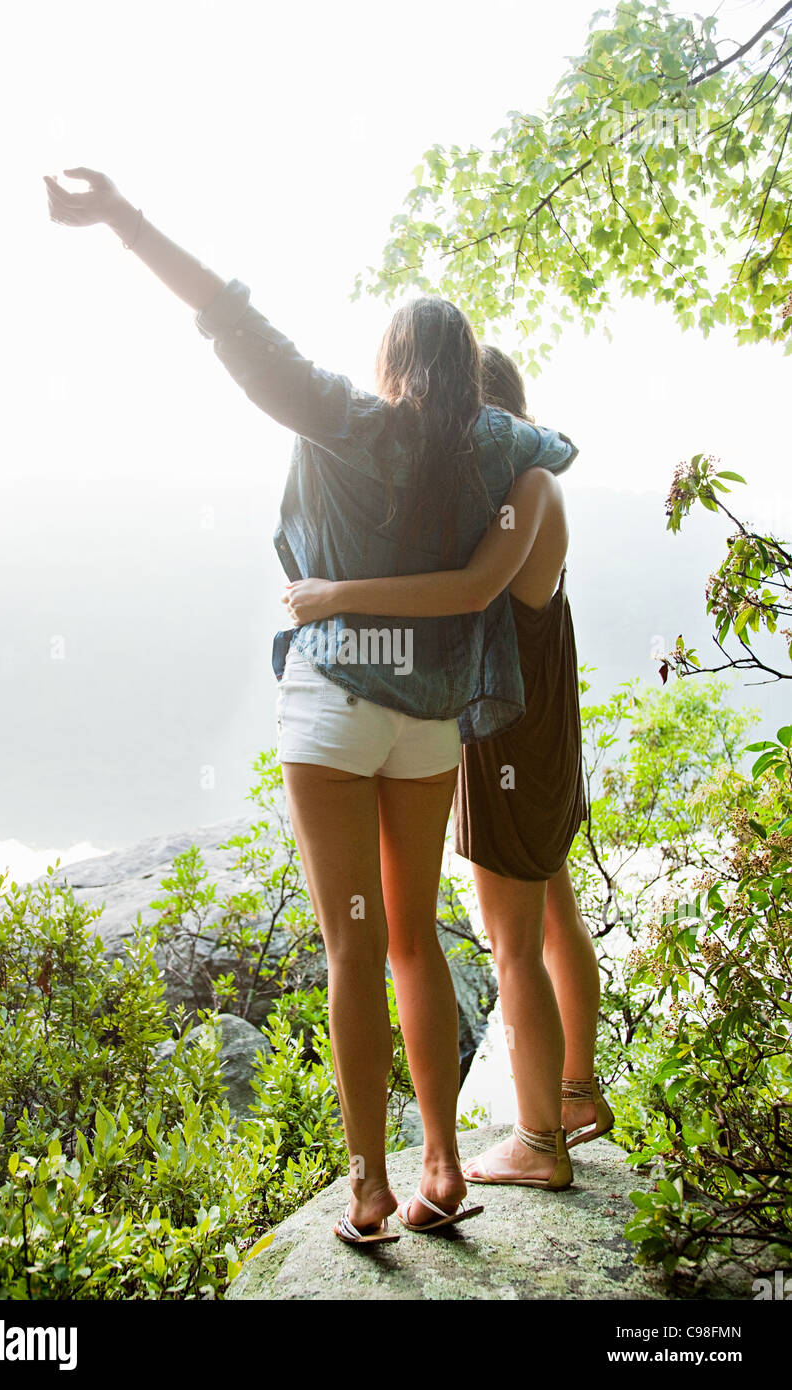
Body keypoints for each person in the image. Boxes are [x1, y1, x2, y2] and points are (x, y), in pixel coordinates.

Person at [43, 169, 578, 1239]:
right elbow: (542, 460)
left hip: (332, 704)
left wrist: (121, 218)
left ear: (389, 365)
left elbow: (225, 316)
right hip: (426, 726)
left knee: (350, 945)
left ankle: (370, 1188)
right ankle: (443, 1165)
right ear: (465, 373)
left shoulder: (340, 417)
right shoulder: (493, 454)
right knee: (414, 941)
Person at [284, 346, 613, 1192]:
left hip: (507, 727)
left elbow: (469, 594)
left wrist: (341, 594)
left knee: (512, 940)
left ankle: (540, 1140)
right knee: (552, 907)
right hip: (541, 717)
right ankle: (577, 1092)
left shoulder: (520, 489)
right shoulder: (533, 484)